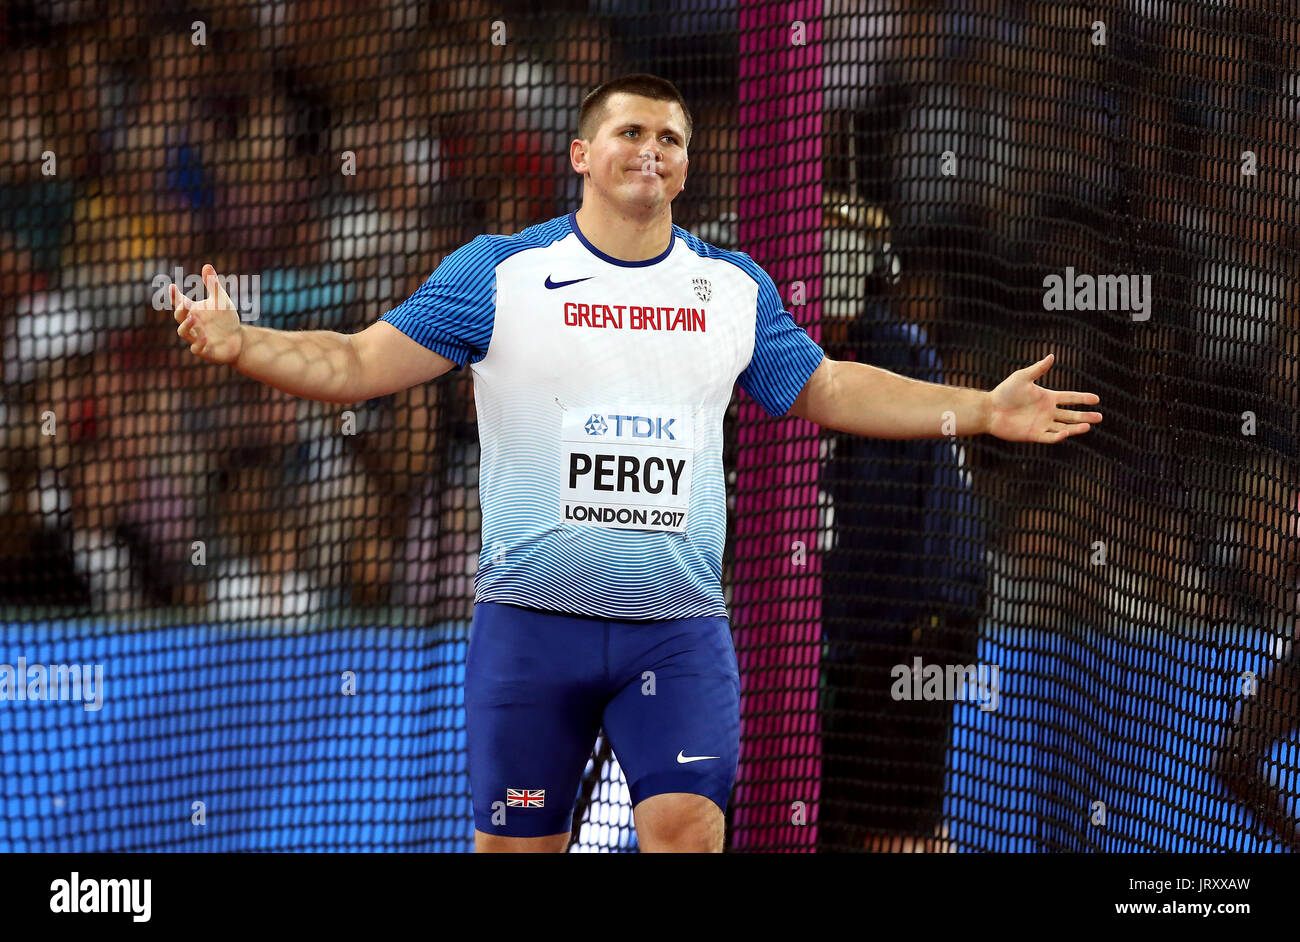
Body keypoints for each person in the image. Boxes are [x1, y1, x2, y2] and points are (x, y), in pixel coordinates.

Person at [168, 73, 1103, 853]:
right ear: (583, 153)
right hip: (534, 628)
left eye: (669, 136)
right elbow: (359, 364)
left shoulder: (730, 288)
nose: (649, 148)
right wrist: (242, 340)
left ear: (686, 167)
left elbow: (830, 386)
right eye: (629, 131)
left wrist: (979, 409)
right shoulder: (499, 274)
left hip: (676, 629)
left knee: (688, 828)